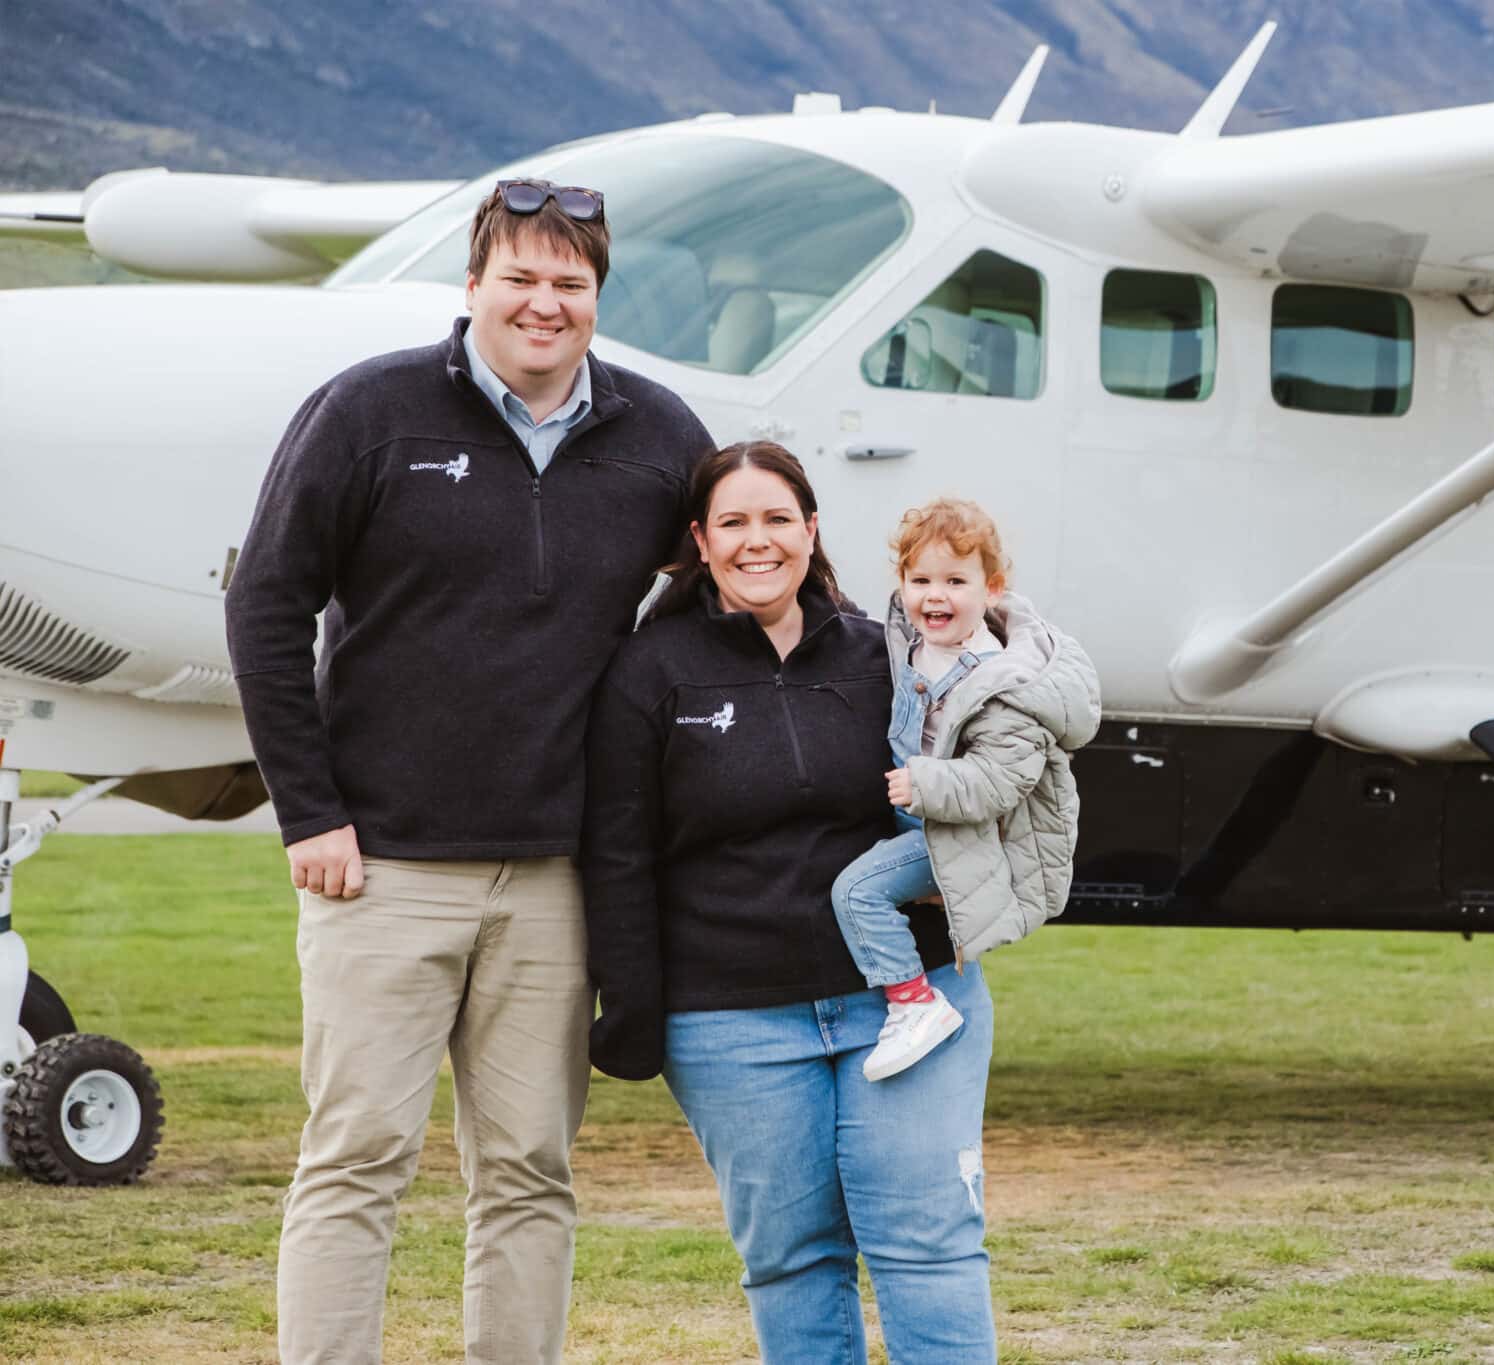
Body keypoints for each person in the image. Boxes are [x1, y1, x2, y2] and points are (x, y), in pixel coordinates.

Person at [224, 178, 715, 1364]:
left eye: (571, 284)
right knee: (355, 1162)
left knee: (531, 1172)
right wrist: (311, 813)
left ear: (598, 297)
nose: (545, 305)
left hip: (556, 878)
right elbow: (264, 606)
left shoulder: (659, 440)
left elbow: (728, 602)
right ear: (473, 287)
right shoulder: (366, 414)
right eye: (522, 279)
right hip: (377, 869)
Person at [580, 444, 1003, 1364]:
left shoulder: (888, 654)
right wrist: (634, 1004)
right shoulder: (650, 673)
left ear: (812, 530)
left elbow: (987, 769)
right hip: (732, 1021)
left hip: (911, 1002)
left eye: (777, 518)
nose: (756, 540)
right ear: (699, 540)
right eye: (731, 522)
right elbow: (617, 853)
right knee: (793, 1259)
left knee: (927, 1245)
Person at [831, 498, 1100, 1081]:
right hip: (917, 819)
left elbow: (1001, 781)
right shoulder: (909, 643)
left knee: (857, 893)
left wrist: (925, 783)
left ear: (992, 589)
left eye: (955, 581)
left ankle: (914, 1005)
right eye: (920, 579)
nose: (935, 596)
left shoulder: (999, 682)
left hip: (962, 834)